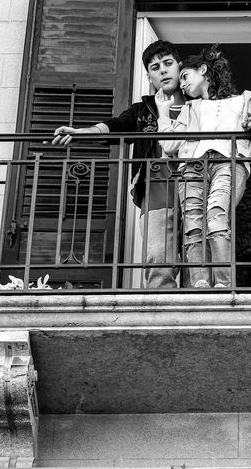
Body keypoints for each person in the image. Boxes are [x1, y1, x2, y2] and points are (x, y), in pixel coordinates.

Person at [52, 40, 185, 289]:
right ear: (149, 77)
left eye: (168, 64)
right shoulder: (144, 110)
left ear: (180, 67)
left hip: (197, 186)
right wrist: (82, 131)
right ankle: (160, 312)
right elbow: (114, 126)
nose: (163, 71)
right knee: (157, 257)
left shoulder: (201, 103)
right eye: (156, 67)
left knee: (200, 256)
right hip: (157, 190)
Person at [156, 45, 251, 289]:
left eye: (185, 76)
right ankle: (200, 284)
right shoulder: (190, 109)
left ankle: (223, 284)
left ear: (203, 69)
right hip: (192, 167)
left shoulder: (245, 99)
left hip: (228, 163)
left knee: (215, 217)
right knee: (193, 225)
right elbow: (170, 145)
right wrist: (163, 113)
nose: (181, 85)